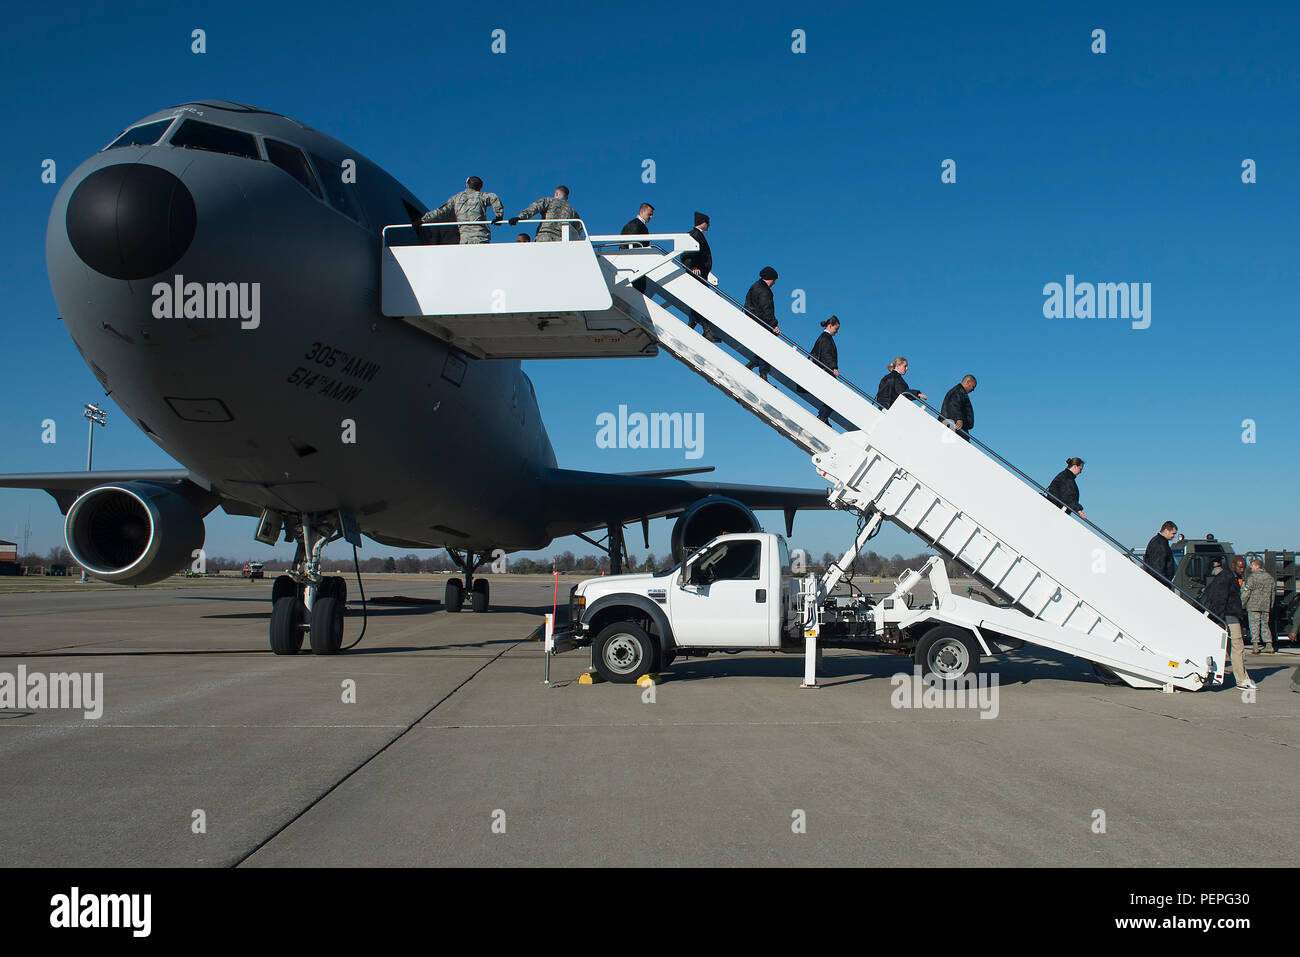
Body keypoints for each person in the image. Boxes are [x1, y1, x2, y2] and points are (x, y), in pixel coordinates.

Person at [1203, 556, 1256, 690]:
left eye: (1244, 567)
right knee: (1238, 648)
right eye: (1240, 567)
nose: (1242, 570)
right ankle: (1242, 680)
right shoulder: (1227, 577)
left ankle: (1242, 678)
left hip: (1226, 617)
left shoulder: (1225, 576)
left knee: (1231, 648)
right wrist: (1220, 619)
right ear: (1233, 565)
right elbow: (1220, 599)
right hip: (1229, 618)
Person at [421, 176, 504, 244]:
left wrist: (423, 220)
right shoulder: (482, 196)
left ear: (467, 185)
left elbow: (440, 211)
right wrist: (499, 216)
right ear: (480, 186)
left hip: (465, 239)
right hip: (481, 237)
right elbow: (494, 198)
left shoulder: (456, 198)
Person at [680, 212, 716, 340]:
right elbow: (687, 254)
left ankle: (695, 322)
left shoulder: (697, 234)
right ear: (703, 222)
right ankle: (705, 330)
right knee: (702, 302)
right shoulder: (695, 235)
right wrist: (692, 267)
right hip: (698, 274)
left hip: (701, 274)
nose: (709, 225)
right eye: (708, 222)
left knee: (699, 301)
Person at [510, 185, 583, 242]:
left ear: (556, 193)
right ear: (566, 197)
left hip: (544, 238)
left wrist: (520, 217)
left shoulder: (549, 201)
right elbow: (578, 229)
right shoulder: (573, 212)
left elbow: (533, 209)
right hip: (560, 242)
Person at [743, 267, 780, 380]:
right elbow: (766, 309)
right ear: (771, 279)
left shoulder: (754, 286)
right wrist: (774, 325)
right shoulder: (765, 291)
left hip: (752, 320)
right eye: (774, 280)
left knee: (763, 347)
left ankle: (752, 364)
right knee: (767, 348)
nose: (774, 283)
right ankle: (763, 373)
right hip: (762, 322)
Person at [809, 316, 841, 423]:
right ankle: (823, 416)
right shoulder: (826, 338)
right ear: (830, 326)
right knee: (835, 395)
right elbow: (826, 354)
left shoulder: (823, 337)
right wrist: (833, 367)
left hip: (823, 368)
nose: (836, 332)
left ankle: (823, 415)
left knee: (832, 395)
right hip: (826, 369)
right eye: (836, 329)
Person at [1241, 558, 1276, 653]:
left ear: (1257, 566)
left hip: (1253, 605)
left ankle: (1255, 645)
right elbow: (1273, 594)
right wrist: (1270, 605)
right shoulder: (1270, 578)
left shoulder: (1252, 577)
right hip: (1265, 605)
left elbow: (1246, 592)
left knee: (1254, 625)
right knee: (1265, 624)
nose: (1251, 567)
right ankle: (1269, 644)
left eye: (1252, 565)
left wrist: (1242, 604)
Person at [620, 203, 655, 292]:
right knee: (638, 288)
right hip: (634, 265)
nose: (651, 217)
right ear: (641, 212)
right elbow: (629, 245)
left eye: (652, 215)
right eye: (649, 214)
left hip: (637, 264)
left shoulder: (638, 225)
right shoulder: (635, 225)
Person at [940, 375, 977, 440]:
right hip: (955, 426)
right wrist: (959, 419)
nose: (973, 390)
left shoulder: (960, 392)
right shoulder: (957, 391)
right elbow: (953, 404)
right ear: (968, 382)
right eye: (973, 386)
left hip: (959, 427)